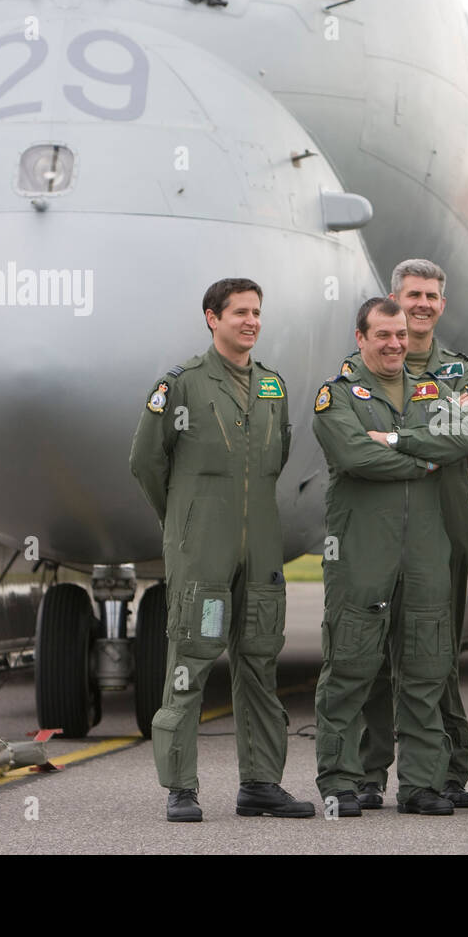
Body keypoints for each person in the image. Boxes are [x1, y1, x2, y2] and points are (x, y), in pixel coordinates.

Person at [130, 277, 315, 822]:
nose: (251, 321)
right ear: (212, 318)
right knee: (190, 660)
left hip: (260, 550)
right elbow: (146, 462)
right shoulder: (181, 385)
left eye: (257, 312)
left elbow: (274, 459)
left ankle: (260, 784)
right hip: (202, 551)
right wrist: (184, 519)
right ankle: (181, 789)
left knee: (259, 663)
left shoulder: (272, 387)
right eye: (239, 312)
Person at [311, 297, 468, 817]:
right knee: (352, 670)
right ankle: (342, 779)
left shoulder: (435, 390)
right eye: (382, 335)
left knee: (426, 671)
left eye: (401, 334)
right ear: (360, 338)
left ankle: (421, 784)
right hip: (362, 554)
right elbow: (354, 456)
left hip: (426, 555)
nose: (394, 344)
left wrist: (398, 440)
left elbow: (460, 440)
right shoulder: (337, 396)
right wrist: (422, 458)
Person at [355, 260, 468, 811]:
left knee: (439, 654)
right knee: (377, 654)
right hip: (381, 526)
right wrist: (425, 440)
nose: (422, 303)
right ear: (394, 297)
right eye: (413, 294)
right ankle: (369, 771)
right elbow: (353, 441)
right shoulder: (360, 367)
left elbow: (460, 438)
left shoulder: (461, 372)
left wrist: (395, 439)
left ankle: (447, 770)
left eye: (432, 295)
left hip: (446, 525)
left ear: (442, 304)